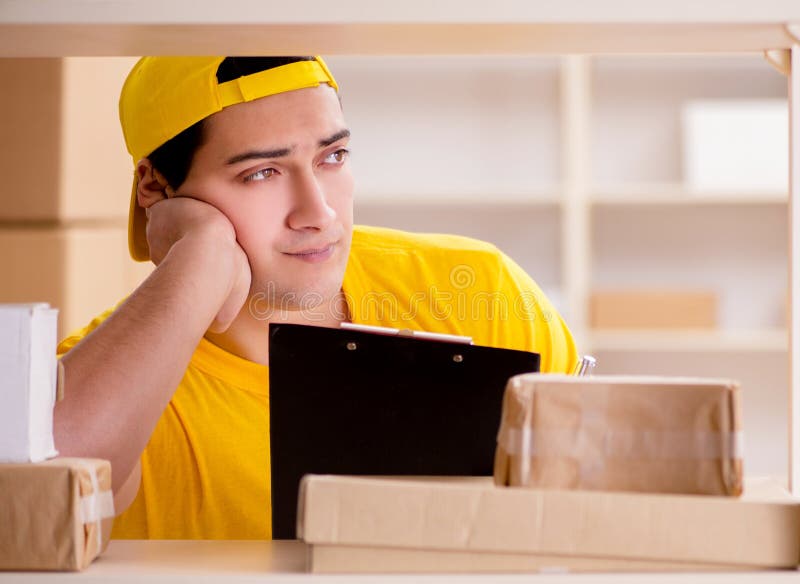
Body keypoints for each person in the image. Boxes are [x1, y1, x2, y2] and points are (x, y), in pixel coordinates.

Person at [54, 56, 578, 539]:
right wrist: (201, 253)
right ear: (154, 187)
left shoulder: (478, 287)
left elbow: (587, 523)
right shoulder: (103, 386)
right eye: (261, 173)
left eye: (333, 157)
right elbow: (40, 506)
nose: (319, 213)